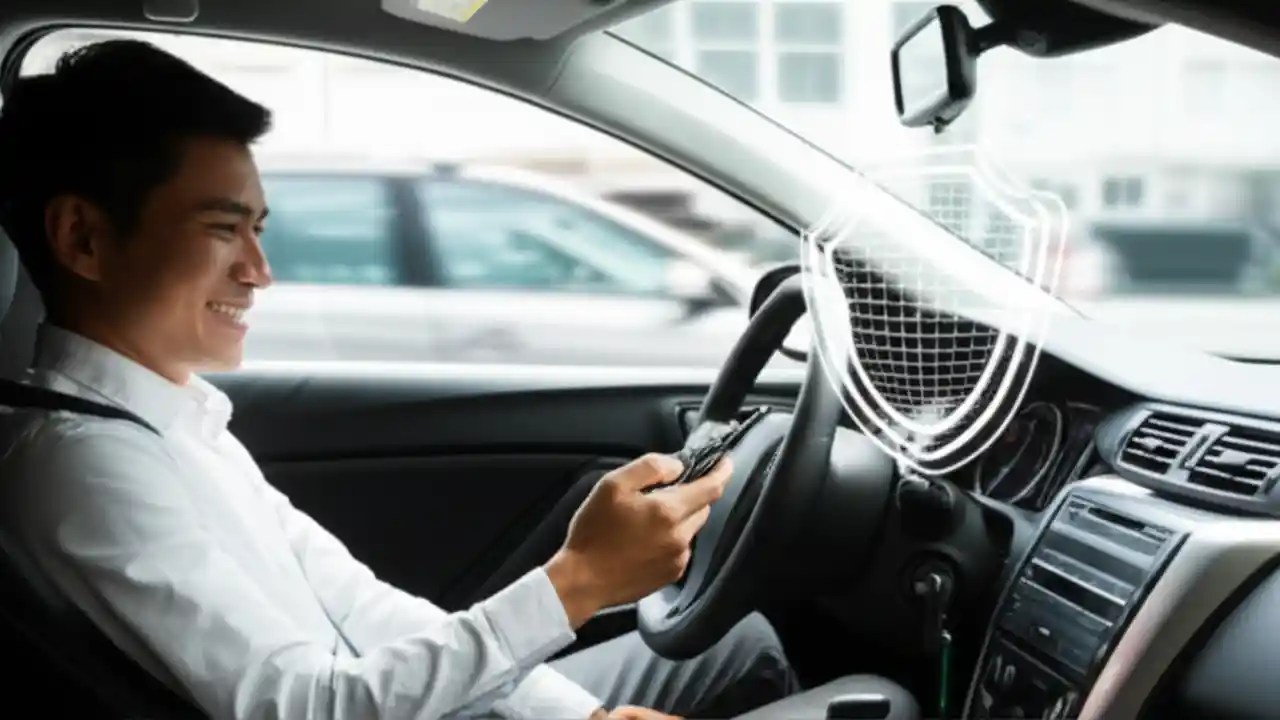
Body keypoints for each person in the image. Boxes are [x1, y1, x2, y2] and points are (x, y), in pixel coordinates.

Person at [0, 40, 797, 719]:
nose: (258, 272)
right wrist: (575, 582)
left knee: (745, 643)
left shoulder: (170, 423)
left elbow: (360, 607)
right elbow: (310, 706)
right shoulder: (83, 468)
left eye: (258, 230)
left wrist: (580, 711)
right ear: (84, 239)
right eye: (221, 229)